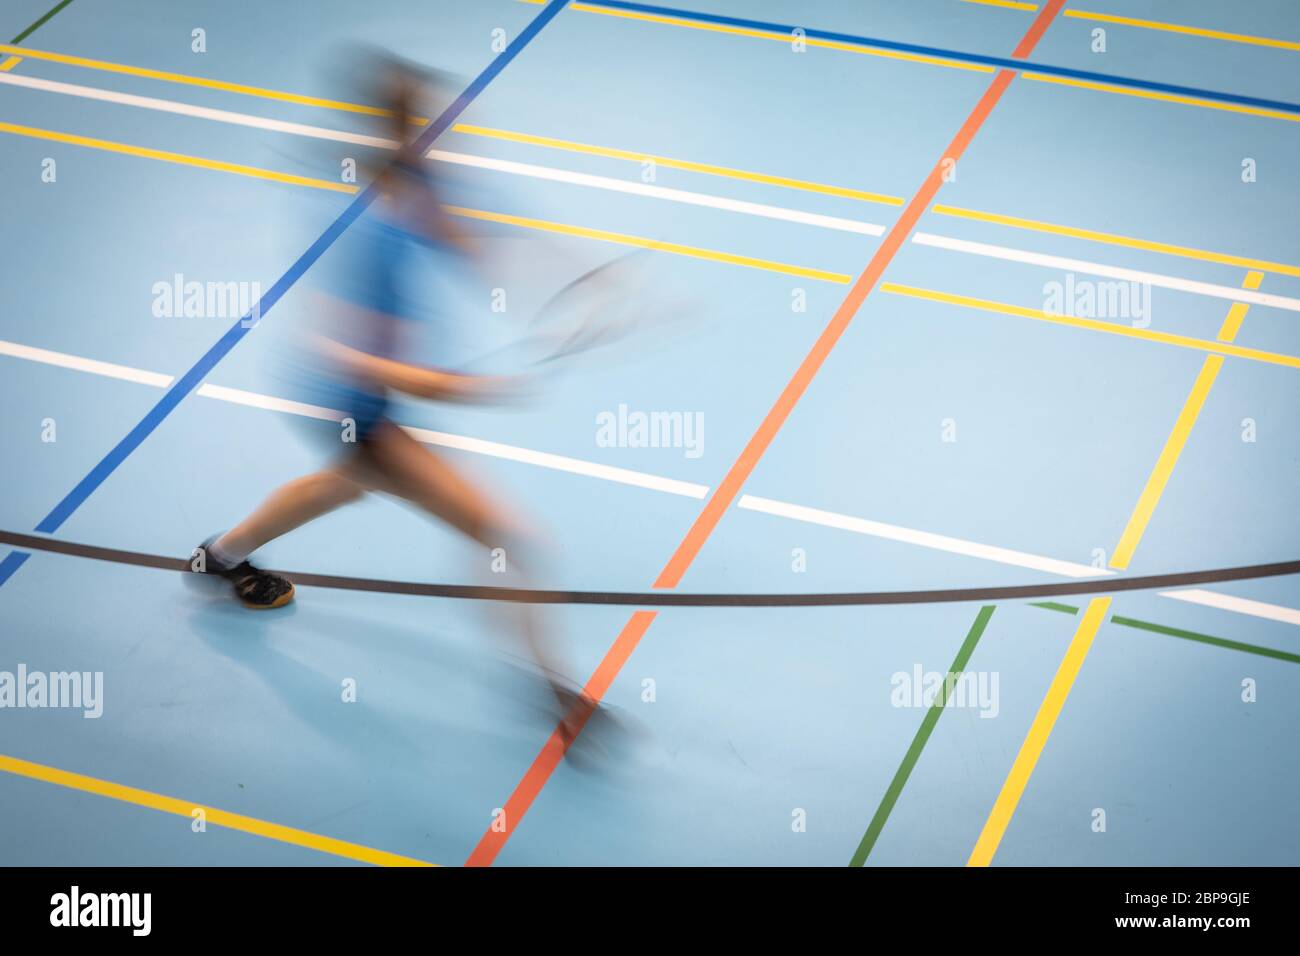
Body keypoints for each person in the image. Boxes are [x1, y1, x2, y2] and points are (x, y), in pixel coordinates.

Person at [192, 55, 594, 742]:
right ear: (410, 130)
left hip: (355, 399)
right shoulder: (368, 228)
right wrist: (470, 390)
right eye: (444, 124)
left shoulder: (415, 181)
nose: (458, 135)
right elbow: (353, 356)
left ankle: (221, 559)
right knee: (507, 541)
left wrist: (572, 280)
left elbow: (470, 238)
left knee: (344, 488)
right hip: (353, 406)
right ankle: (560, 696)